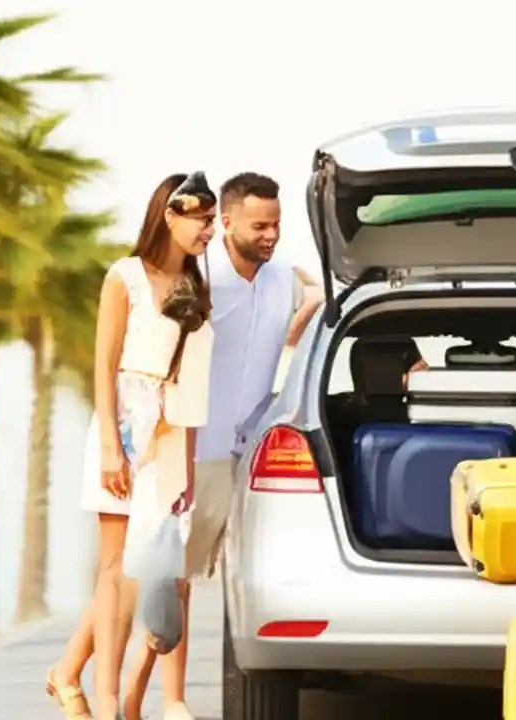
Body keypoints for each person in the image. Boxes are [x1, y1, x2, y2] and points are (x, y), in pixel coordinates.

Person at [114, 172, 324, 720]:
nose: (271, 235)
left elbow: (322, 293)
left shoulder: (282, 277)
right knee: (171, 586)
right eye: (260, 225)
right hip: (195, 450)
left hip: (252, 456)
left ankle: (164, 698)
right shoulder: (199, 277)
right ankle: (147, 699)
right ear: (225, 222)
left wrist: (298, 327)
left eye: (277, 224)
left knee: (245, 583)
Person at [46, 172, 217, 720]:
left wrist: (185, 465)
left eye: (213, 221)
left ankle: (137, 694)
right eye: (201, 219)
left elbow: (189, 380)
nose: (208, 231)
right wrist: (110, 449)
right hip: (124, 422)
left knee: (162, 567)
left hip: (172, 433)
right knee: (117, 569)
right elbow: (104, 362)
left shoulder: (195, 287)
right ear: (170, 214)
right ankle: (109, 698)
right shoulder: (125, 278)